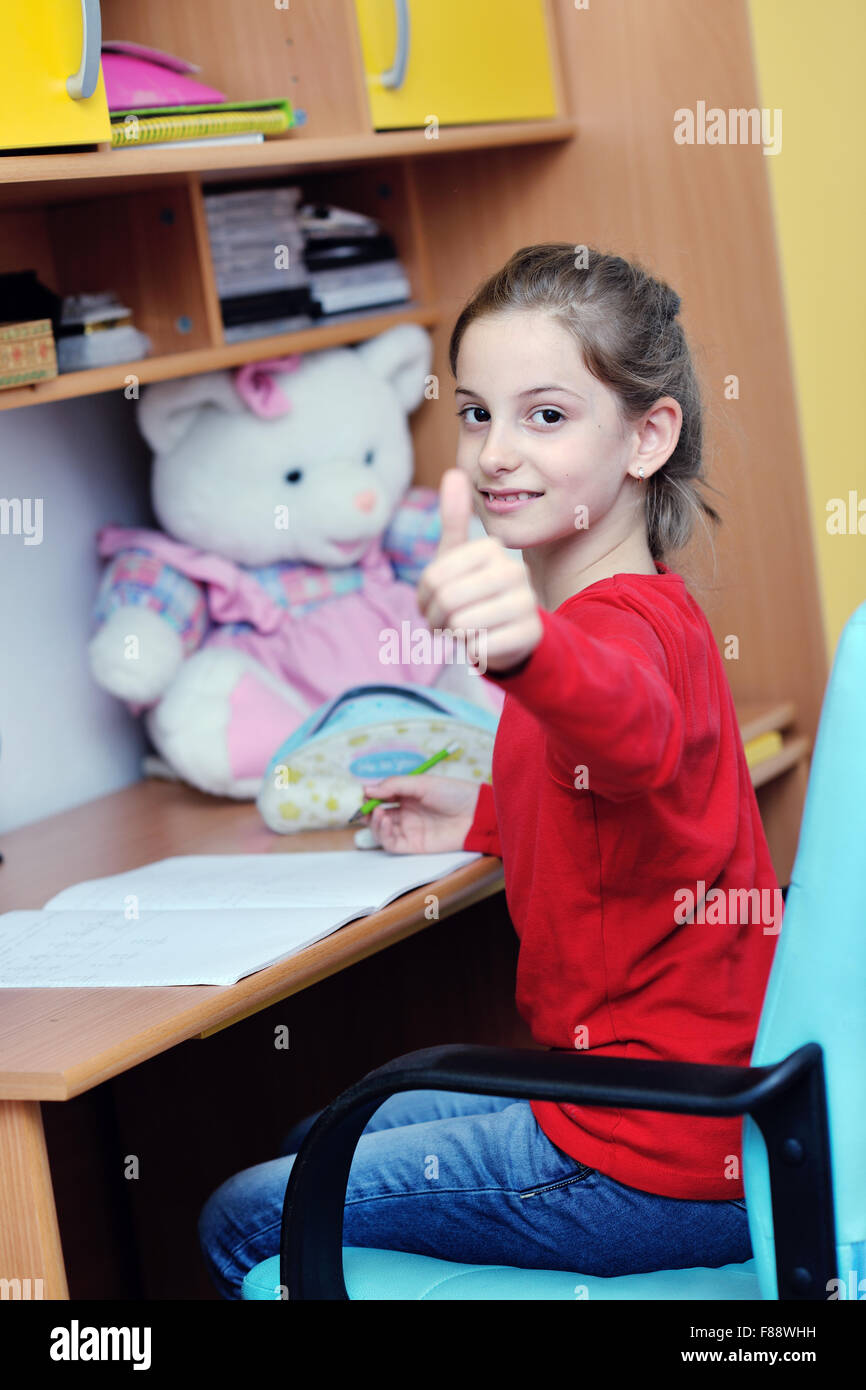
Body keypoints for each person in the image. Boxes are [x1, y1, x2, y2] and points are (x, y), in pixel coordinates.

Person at [198, 243, 780, 1298]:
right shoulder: (661, 611)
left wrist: (523, 650)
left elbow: (628, 728)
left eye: (545, 416)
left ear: (647, 436)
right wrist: (477, 813)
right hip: (695, 1119)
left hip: (635, 1159)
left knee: (245, 1213)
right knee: (321, 1127)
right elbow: (616, 801)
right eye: (476, 413)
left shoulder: (608, 636)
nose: (498, 452)